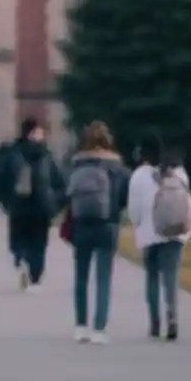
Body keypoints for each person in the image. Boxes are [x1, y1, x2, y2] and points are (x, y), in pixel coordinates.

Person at [126, 133, 191, 342]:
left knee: (152, 277)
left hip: (149, 234)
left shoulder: (139, 176)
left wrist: (138, 224)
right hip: (175, 231)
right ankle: (172, 318)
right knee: (171, 278)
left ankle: (155, 322)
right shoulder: (179, 173)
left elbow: (134, 211)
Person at [64, 121, 131, 344]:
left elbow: (68, 193)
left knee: (81, 277)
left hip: (82, 223)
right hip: (108, 223)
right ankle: (99, 328)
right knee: (103, 278)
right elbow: (124, 196)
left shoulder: (76, 165)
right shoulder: (118, 168)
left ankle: (81, 326)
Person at [0, 116, 64, 292]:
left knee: (19, 239)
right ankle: (35, 277)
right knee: (39, 243)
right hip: (41, 207)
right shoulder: (46, 156)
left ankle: (22, 261)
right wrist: (55, 204)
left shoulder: (13, 154)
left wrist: (6, 202)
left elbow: (3, 179)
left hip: (19, 206)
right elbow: (59, 181)